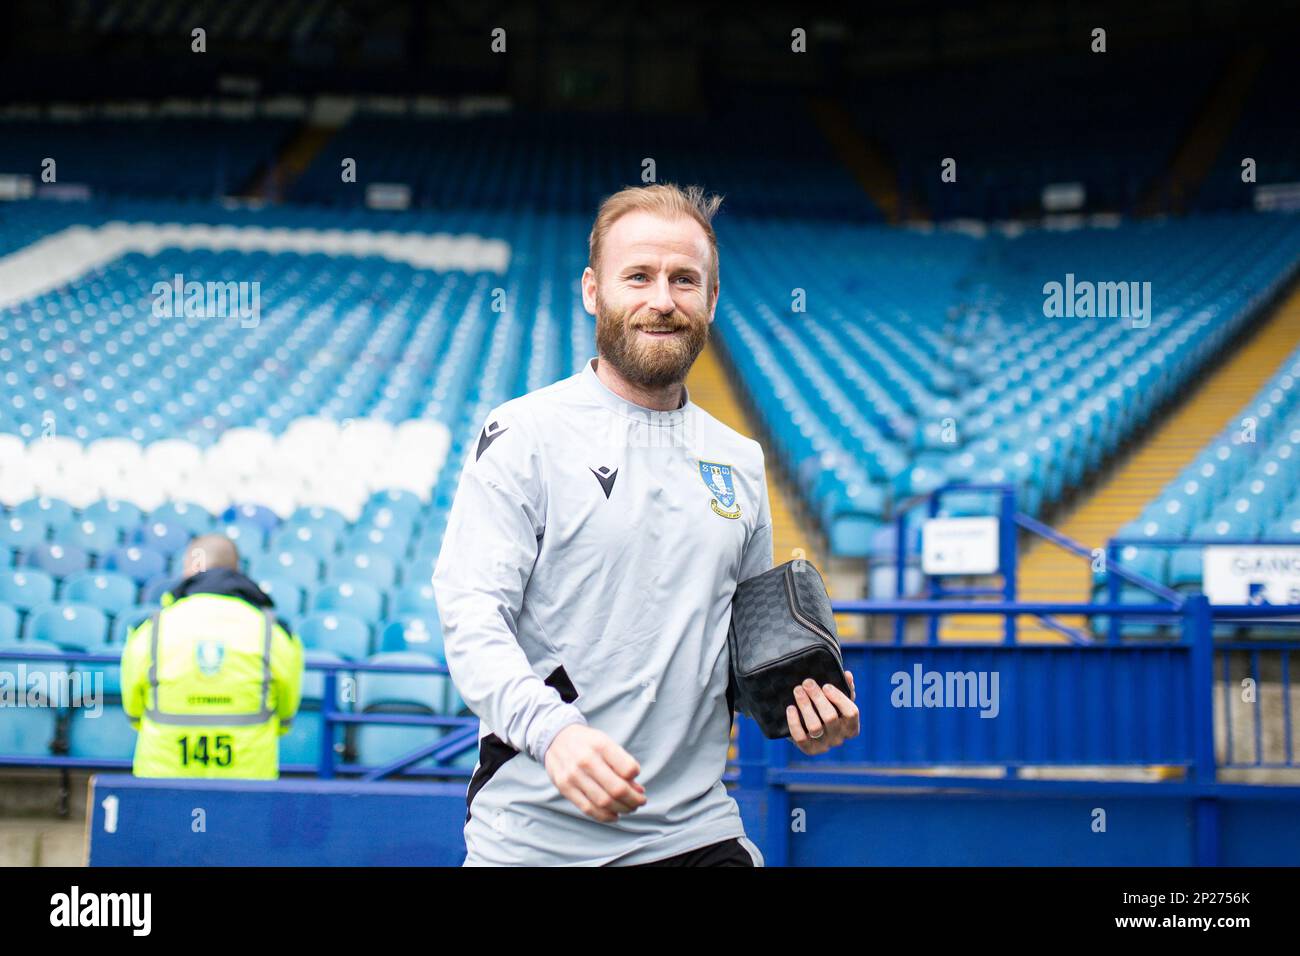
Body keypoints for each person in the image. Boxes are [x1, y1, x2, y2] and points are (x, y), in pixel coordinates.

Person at [432, 182, 859, 866]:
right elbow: (471, 616)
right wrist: (556, 733)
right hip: (533, 841)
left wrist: (796, 703)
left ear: (711, 301)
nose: (662, 299)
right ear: (593, 290)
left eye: (684, 279)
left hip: (694, 833)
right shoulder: (524, 433)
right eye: (639, 276)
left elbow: (740, 654)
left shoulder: (740, 461)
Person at [120, 533, 304, 779]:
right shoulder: (272, 629)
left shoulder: (152, 626)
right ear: (236, 569)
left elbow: (133, 704)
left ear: (190, 568)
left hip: (164, 772)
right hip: (247, 774)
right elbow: (286, 706)